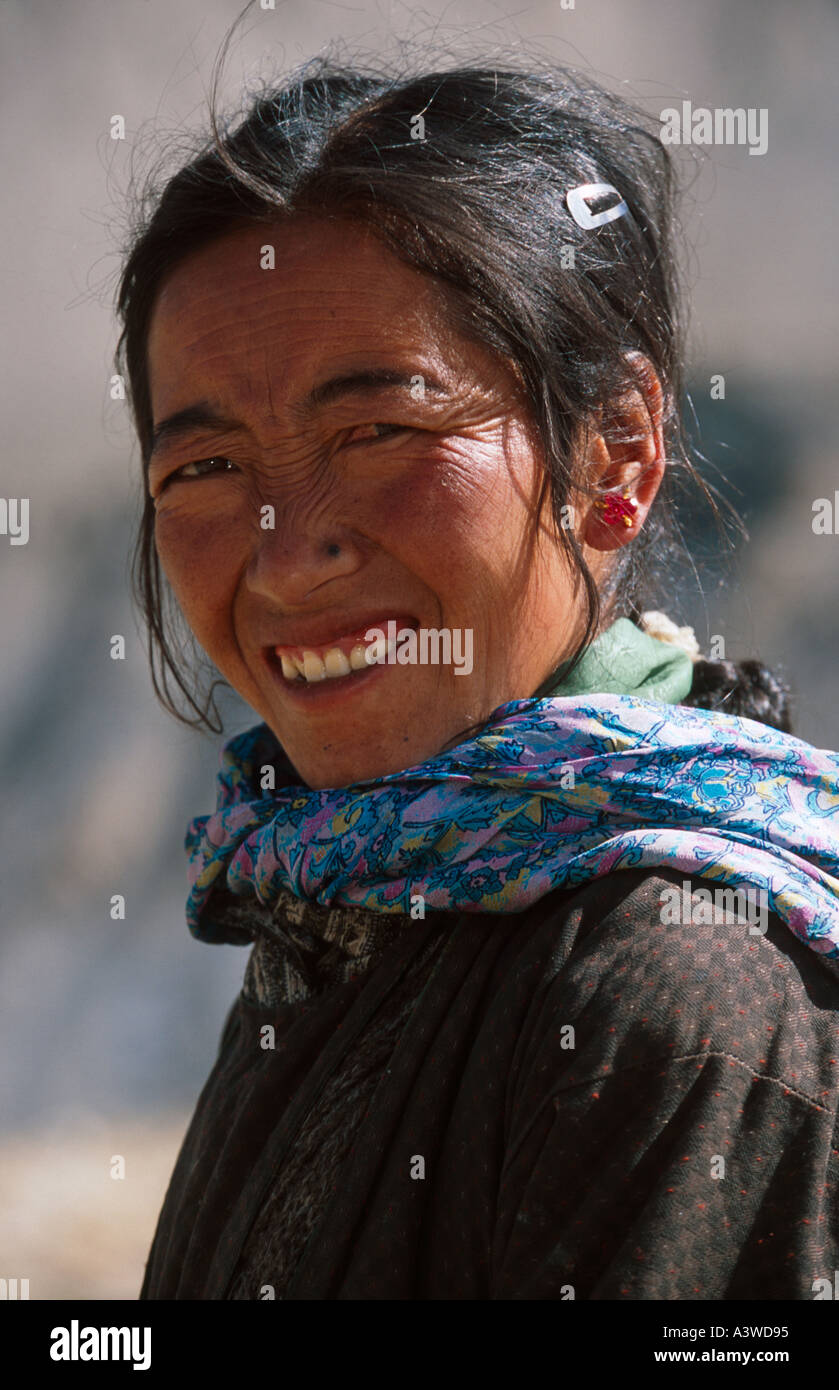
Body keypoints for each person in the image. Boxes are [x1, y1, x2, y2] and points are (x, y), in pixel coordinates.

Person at [115, 56, 839, 1300]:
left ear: (611, 456)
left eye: (377, 433)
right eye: (206, 469)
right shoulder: (342, 887)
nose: (287, 560)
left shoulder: (673, 1000)